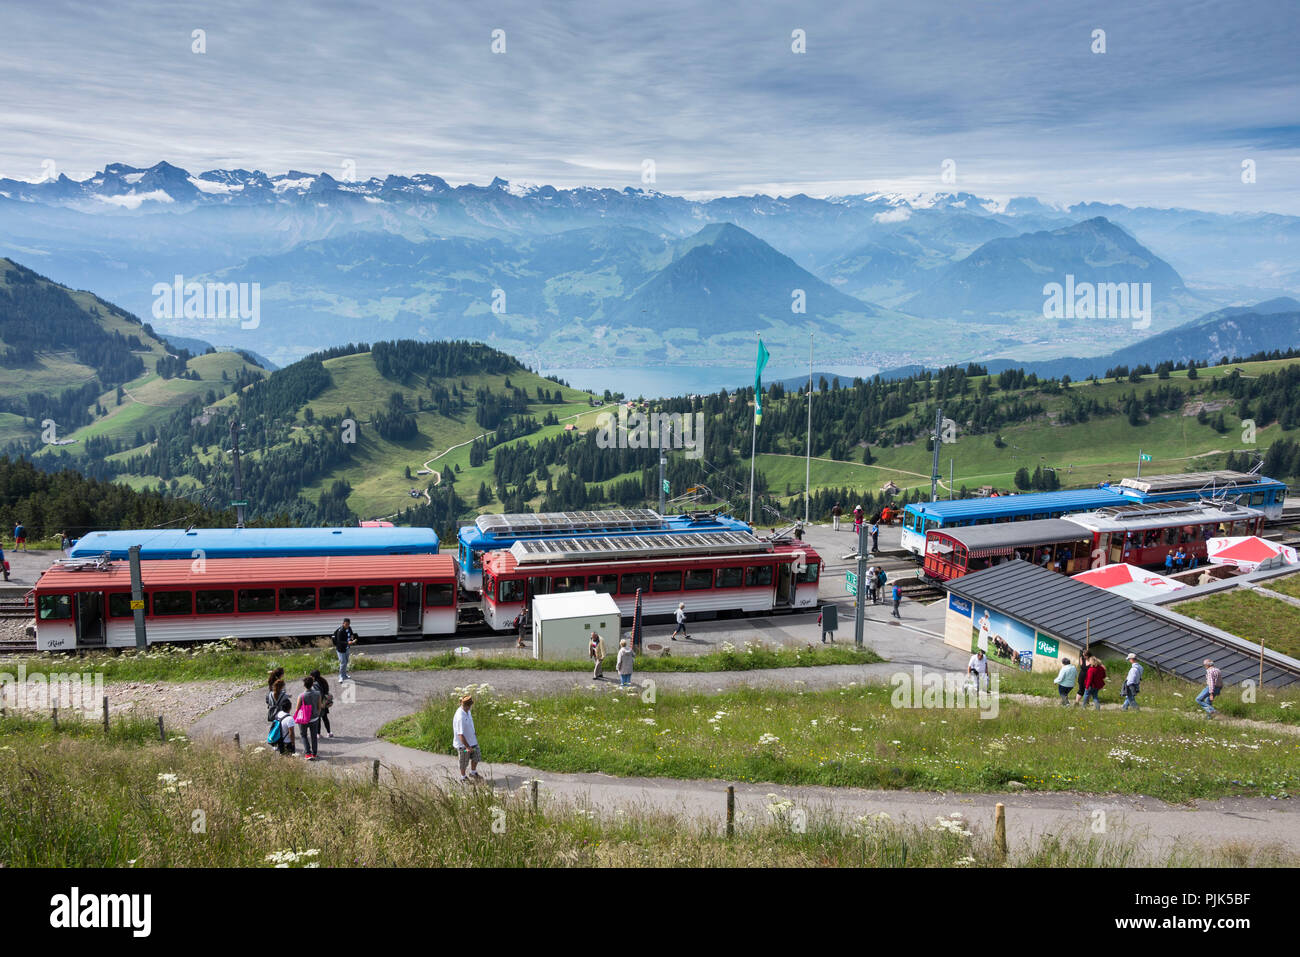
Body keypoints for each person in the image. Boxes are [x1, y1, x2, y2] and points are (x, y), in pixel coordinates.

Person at [454, 695, 482, 781]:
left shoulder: (467, 711)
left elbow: (469, 724)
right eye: (469, 705)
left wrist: (473, 732)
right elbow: (460, 735)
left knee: (477, 756)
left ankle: (473, 772)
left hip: (473, 741)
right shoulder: (460, 717)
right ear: (465, 705)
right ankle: (463, 777)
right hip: (463, 746)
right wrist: (467, 747)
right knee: (464, 761)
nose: (470, 707)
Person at [295, 676, 321, 760]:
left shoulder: (301, 696)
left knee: (304, 735)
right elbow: (319, 706)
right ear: (312, 684)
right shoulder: (318, 693)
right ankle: (314, 753)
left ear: (304, 685)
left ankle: (308, 753)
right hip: (314, 718)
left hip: (304, 719)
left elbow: (297, 708)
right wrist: (317, 714)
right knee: (314, 736)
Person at [267, 677, 294, 754]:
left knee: (274, 728)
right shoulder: (283, 695)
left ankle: (274, 743)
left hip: (272, 713)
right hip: (280, 714)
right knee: (281, 730)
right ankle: (280, 745)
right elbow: (286, 702)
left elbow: (269, 703)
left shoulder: (270, 694)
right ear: (282, 687)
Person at [332, 618, 357, 683]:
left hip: (347, 648)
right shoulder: (341, 631)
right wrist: (348, 642)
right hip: (341, 649)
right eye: (346, 624)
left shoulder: (349, 628)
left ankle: (345, 675)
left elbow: (351, 633)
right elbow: (339, 641)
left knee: (346, 662)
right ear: (343, 623)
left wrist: (352, 637)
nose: (347, 625)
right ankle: (341, 676)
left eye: (348, 624)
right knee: (343, 663)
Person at [310, 669, 334, 737]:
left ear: (314, 676)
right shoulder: (323, 681)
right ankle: (329, 732)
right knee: (325, 718)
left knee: (318, 719)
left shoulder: (315, 684)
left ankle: (318, 733)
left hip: (319, 704)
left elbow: (318, 694)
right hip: (325, 702)